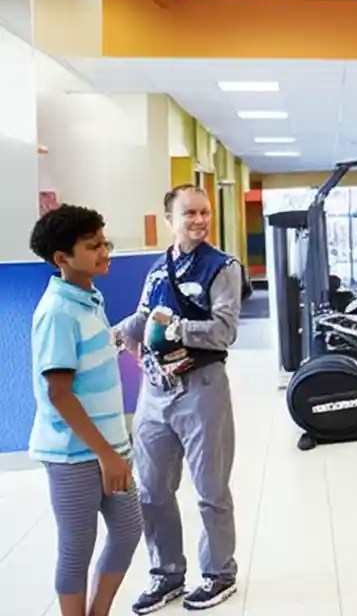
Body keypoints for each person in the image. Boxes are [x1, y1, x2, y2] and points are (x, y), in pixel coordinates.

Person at [115, 185, 245, 613]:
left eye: (204, 212)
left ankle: (218, 572)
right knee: (151, 490)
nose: (199, 220)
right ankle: (167, 573)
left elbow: (225, 330)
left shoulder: (221, 267)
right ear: (169, 218)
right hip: (154, 393)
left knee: (210, 488)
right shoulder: (157, 268)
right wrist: (115, 335)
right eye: (189, 213)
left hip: (201, 388)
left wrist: (176, 329)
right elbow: (143, 316)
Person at [27, 205, 144, 616]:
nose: (104, 252)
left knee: (128, 530)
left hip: (110, 445)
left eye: (104, 242)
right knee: (77, 548)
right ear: (62, 259)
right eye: (93, 246)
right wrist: (106, 456)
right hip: (75, 455)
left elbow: (86, 362)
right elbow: (59, 392)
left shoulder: (89, 298)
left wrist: (121, 340)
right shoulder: (58, 312)